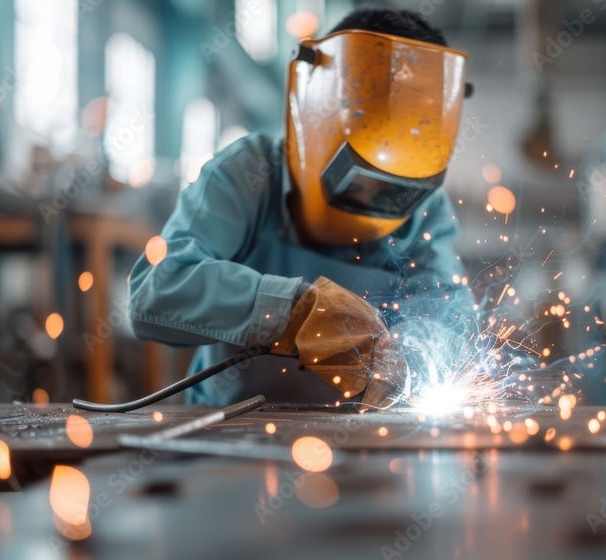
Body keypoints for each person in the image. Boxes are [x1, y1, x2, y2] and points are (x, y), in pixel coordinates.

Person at [128, 8, 474, 408]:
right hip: (226, 428)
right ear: (312, 103)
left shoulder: (428, 206)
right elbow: (155, 290)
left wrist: (411, 362)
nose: (374, 202)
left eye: (397, 191)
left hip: (358, 439)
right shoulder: (249, 173)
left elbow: (453, 323)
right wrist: (293, 311)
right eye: (360, 179)